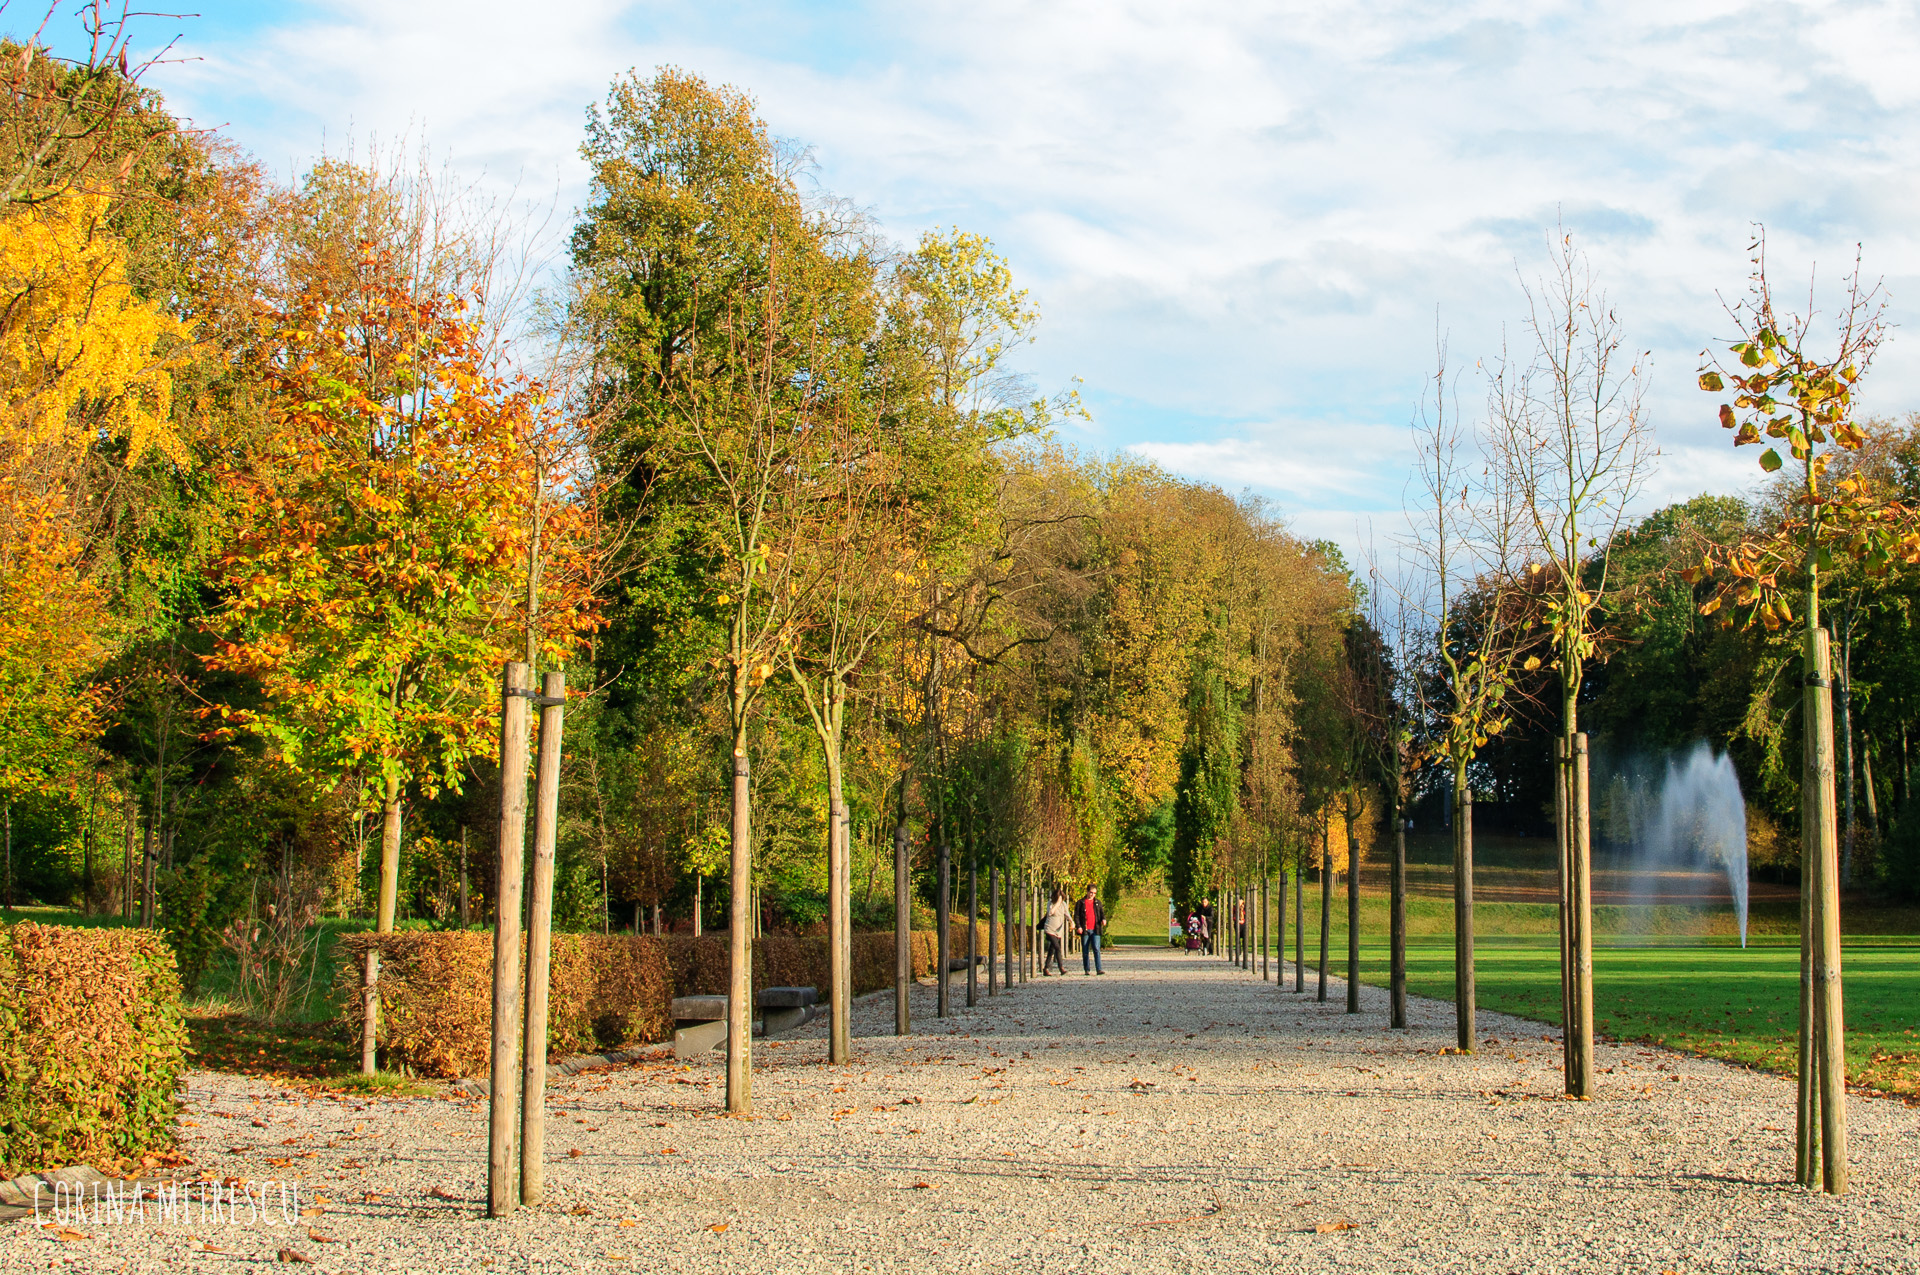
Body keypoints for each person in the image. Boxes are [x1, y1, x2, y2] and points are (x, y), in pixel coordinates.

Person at [1076, 885, 1105, 975]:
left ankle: (1099, 969)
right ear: (1087, 892)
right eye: (1091, 892)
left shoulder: (1097, 903)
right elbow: (1076, 916)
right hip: (1085, 929)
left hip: (1095, 929)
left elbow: (1101, 914)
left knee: (1096, 949)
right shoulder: (1080, 903)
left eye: (1094, 893)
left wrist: (1103, 920)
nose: (1092, 895)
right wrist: (1079, 926)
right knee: (1085, 950)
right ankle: (1087, 969)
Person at [1042, 889, 1070, 975]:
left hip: (1058, 930)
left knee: (1052, 949)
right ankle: (1061, 968)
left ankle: (1046, 968)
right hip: (1049, 929)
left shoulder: (1063, 904)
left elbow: (1067, 914)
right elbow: (1050, 912)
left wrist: (1072, 922)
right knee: (1057, 947)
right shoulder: (1050, 904)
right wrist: (1057, 904)